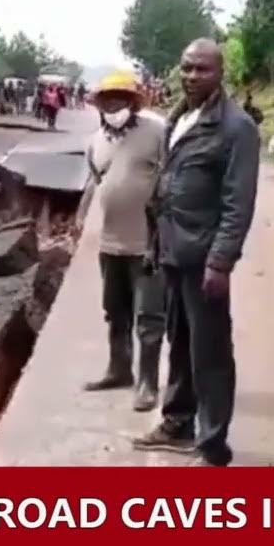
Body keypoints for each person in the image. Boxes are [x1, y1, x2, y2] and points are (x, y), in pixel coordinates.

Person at [133, 38, 259, 467]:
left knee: (211, 353)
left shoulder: (236, 128)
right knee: (180, 343)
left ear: (220, 73)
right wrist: (155, 244)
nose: (191, 76)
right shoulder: (180, 117)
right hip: (172, 251)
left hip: (203, 259)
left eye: (202, 69)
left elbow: (238, 203)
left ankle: (213, 447)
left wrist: (220, 262)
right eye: (186, 67)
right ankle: (178, 422)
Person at [83, 71, 167, 411]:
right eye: (107, 100)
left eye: (120, 99)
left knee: (149, 317)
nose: (113, 106)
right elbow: (98, 182)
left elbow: (171, 177)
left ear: (133, 103)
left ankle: (147, 382)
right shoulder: (95, 142)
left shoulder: (157, 133)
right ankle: (119, 369)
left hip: (147, 245)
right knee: (115, 312)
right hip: (110, 243)